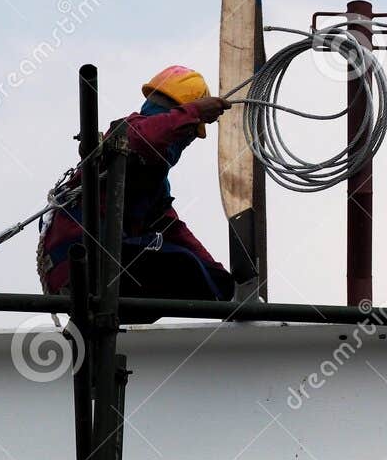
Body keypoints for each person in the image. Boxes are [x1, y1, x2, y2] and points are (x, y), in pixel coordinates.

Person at [38, 65, 238, 311]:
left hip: (90, 271)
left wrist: (218, 277)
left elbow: (173, 230)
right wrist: (194, 112)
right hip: (83, 260)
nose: (184, 143)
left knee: (197, 274)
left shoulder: (153, 183)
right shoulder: (126, 135)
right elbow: (144, 138)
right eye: (186, 135)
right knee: (182, 267)